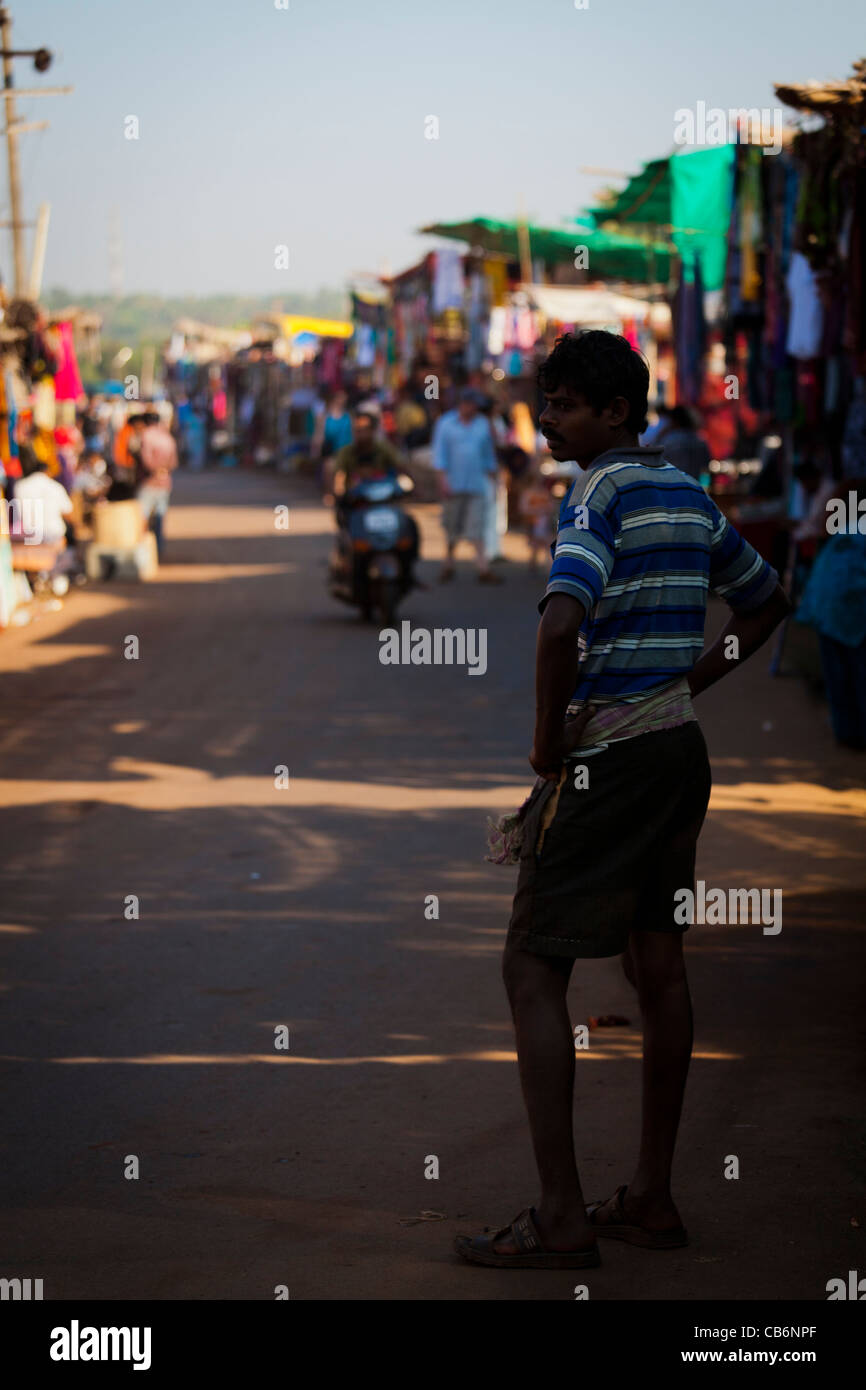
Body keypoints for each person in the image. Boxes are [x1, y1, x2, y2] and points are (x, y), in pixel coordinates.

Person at [455, 330, 789, 1270]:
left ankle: (562, 1218)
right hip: (677, 752)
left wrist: (544, 739)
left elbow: (560, 622)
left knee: (531, 971)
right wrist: (688, 683)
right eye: (546, 401)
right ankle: (650, 1197)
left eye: (562, 404)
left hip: (608, 763)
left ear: (611, 412)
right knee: (659, 970)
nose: (547, 419)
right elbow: (765, 602)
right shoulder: (686, 490)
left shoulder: (596, 493)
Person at [431, 387, 502, 583]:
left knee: (477, 526)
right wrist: (442, 481)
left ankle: (482, 567)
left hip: (476, 483)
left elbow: (488, 455)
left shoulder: (482, 424)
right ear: (463, 404)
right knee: (452, 526)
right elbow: (439, 455)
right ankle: (449, 562)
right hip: (453, 483)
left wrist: (494, 479)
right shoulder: (446, 423)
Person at [327, 410, 403, 507]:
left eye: (364, 429)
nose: (360, 433)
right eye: (357, 430)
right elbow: (339, 474)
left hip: (383, 496)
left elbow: (400, 467)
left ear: (372, 430)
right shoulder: (346, 452)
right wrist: (339, 491)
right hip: (356, 500)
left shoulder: (384, 448)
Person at [136, 410, 177, 559]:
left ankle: (142, 551)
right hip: (165, 482)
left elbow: (145, 458)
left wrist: (155, 470)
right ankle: (158, 550)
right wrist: (164, 471)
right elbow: (174, 461)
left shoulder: (146, 436)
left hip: (149, 482)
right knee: (160, 517)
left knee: (142, 517)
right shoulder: (167, 437)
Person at [11, 458, 74, 546]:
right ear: (47, 471)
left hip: (28, 535)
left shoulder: (20, 486)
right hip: (53, 534)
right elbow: (68, 512)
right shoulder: (56, 487)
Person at [658, 404, 712, 483]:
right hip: (694, 487)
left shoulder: (669, 441)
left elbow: (659, 465)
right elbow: (706, 467)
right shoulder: (699, 441)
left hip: (674, 487)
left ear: (674, 421)